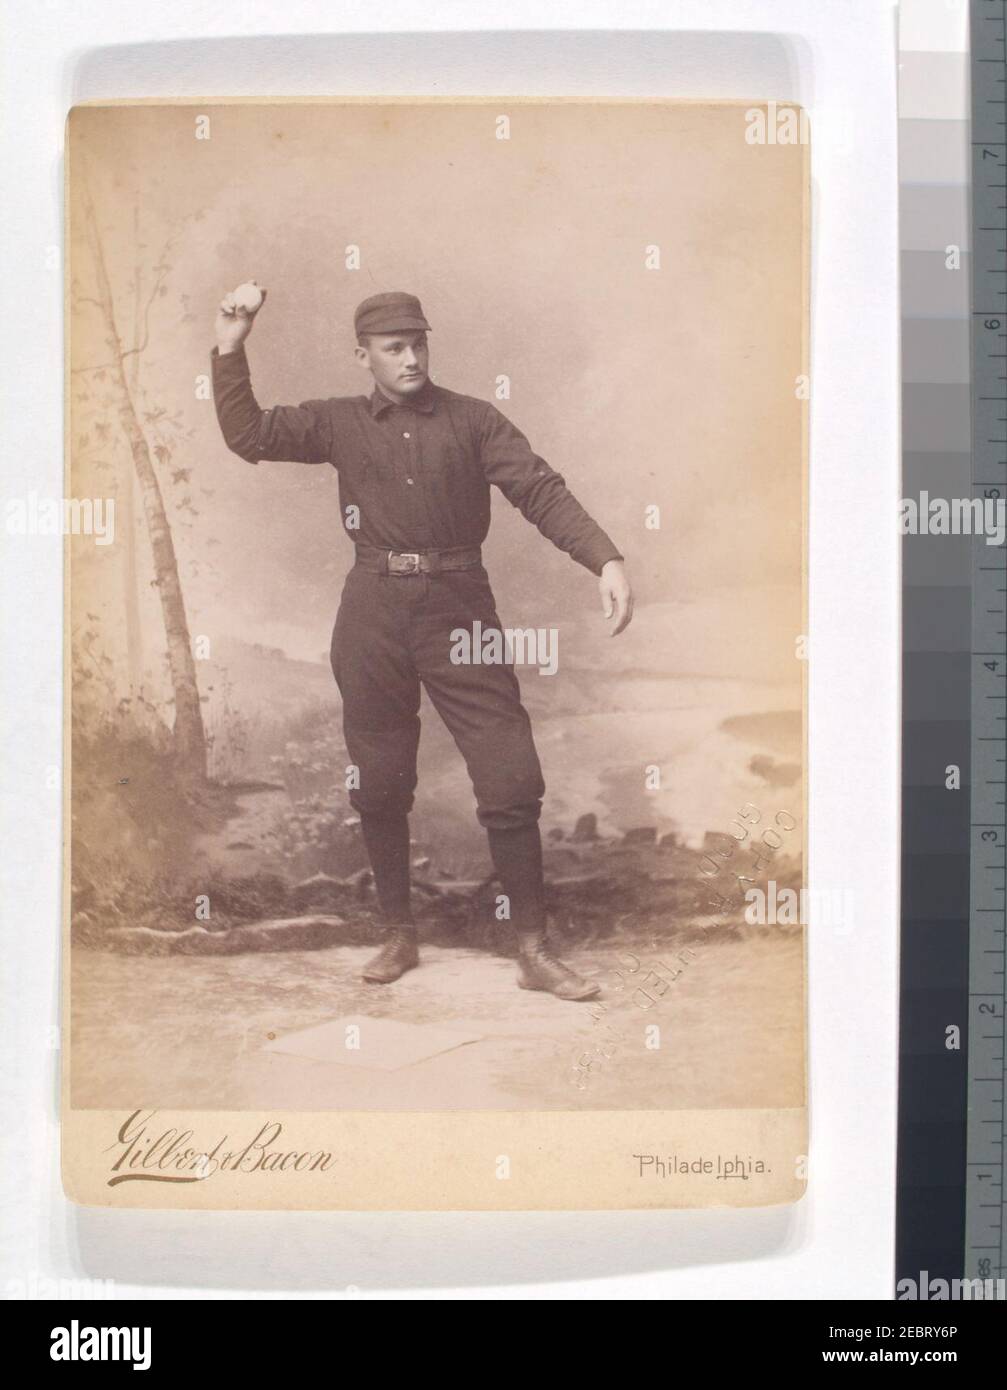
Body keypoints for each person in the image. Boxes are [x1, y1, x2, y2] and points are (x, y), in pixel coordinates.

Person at [212, 288, 634, 1001]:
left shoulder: (473, 420)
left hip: (460, 607)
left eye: (417, 344)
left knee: (509, 775)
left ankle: (532, 949)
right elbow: (249, 434)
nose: (409, 358)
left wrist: (605, 558)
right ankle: (398, 935)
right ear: (364, 356)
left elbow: (539, 490)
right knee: (379, 781)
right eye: (392, 347)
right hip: (372, 612)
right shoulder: (336, 423)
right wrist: (230, 344)